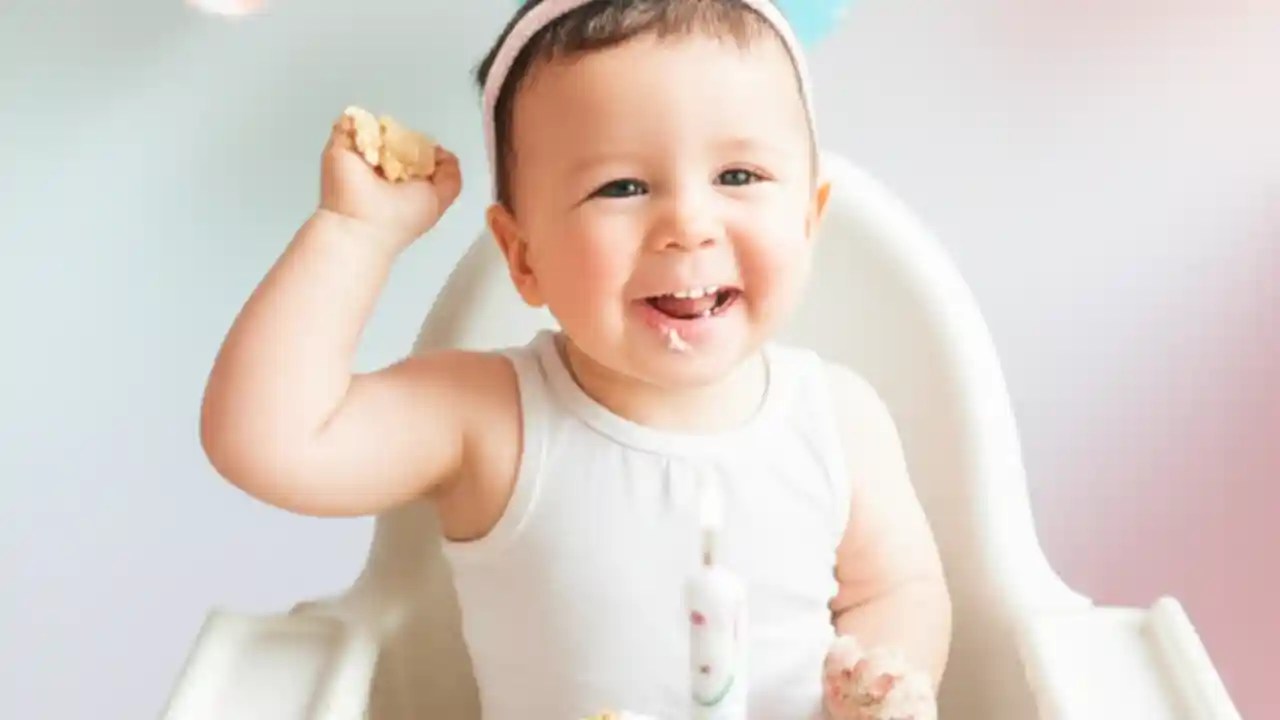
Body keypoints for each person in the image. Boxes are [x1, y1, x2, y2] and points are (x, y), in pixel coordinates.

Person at [199, 0, 952, 717]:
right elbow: (271, 441)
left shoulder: (837, 419)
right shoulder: (492, 420)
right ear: (523, 258)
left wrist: (883, 677)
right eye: (621, 187)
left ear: (808, 222)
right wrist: (354, 235)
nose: (688, 223)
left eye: (738, 177)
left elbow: (898, 589)